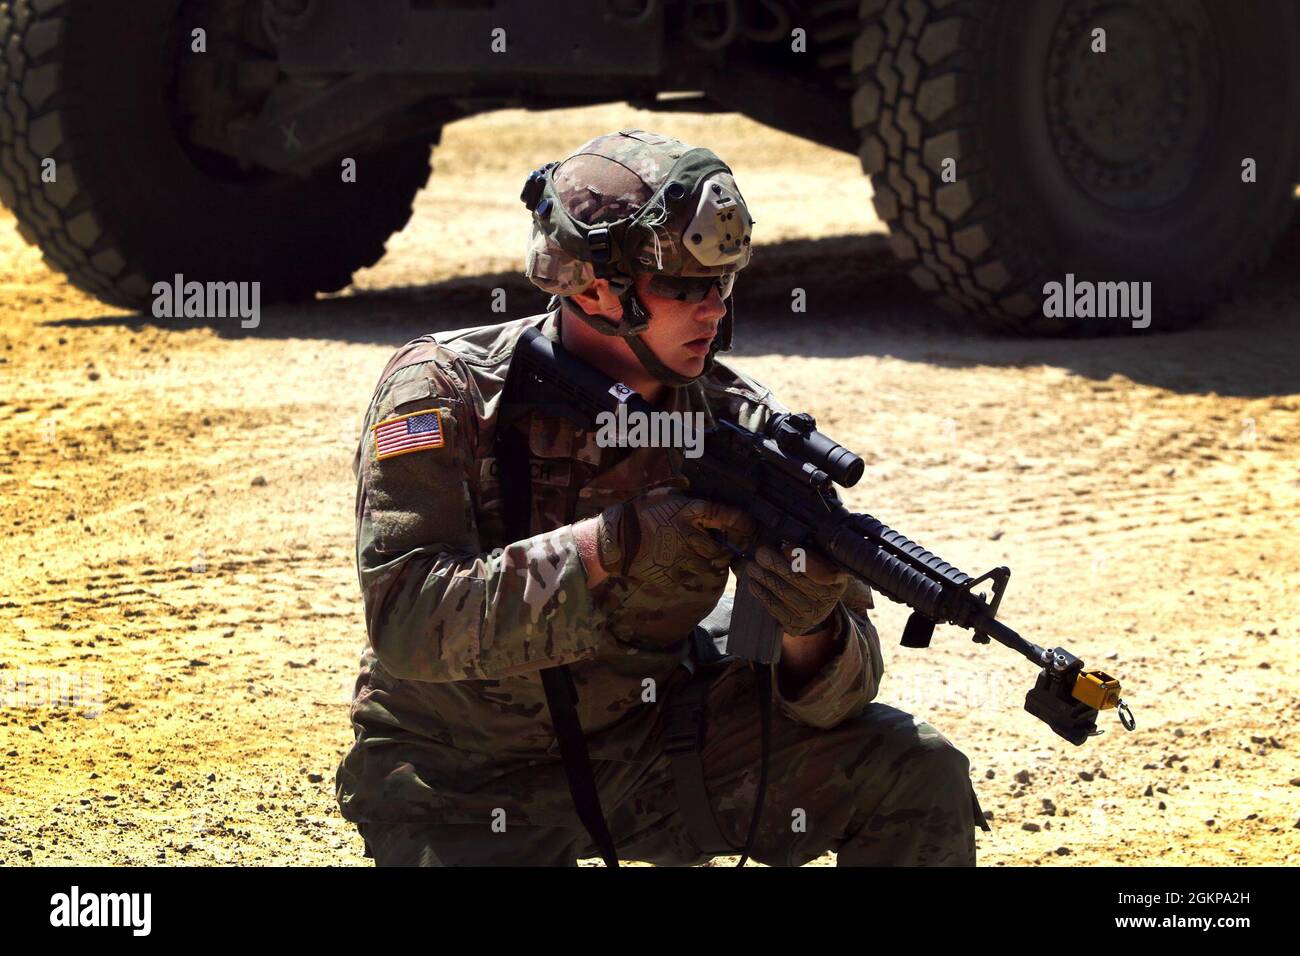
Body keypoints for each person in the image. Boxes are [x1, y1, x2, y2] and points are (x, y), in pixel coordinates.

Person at [335, 129, 987, 866]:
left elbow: (838, 703)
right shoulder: (449, 392)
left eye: (723, 282)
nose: (713, 309)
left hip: (650, 756)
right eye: (684, 287)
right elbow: (408, 619)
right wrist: (610, 548)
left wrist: (809, 633)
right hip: (458, 780)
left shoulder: (733, 426)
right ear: (591, 289)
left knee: (913, 773)